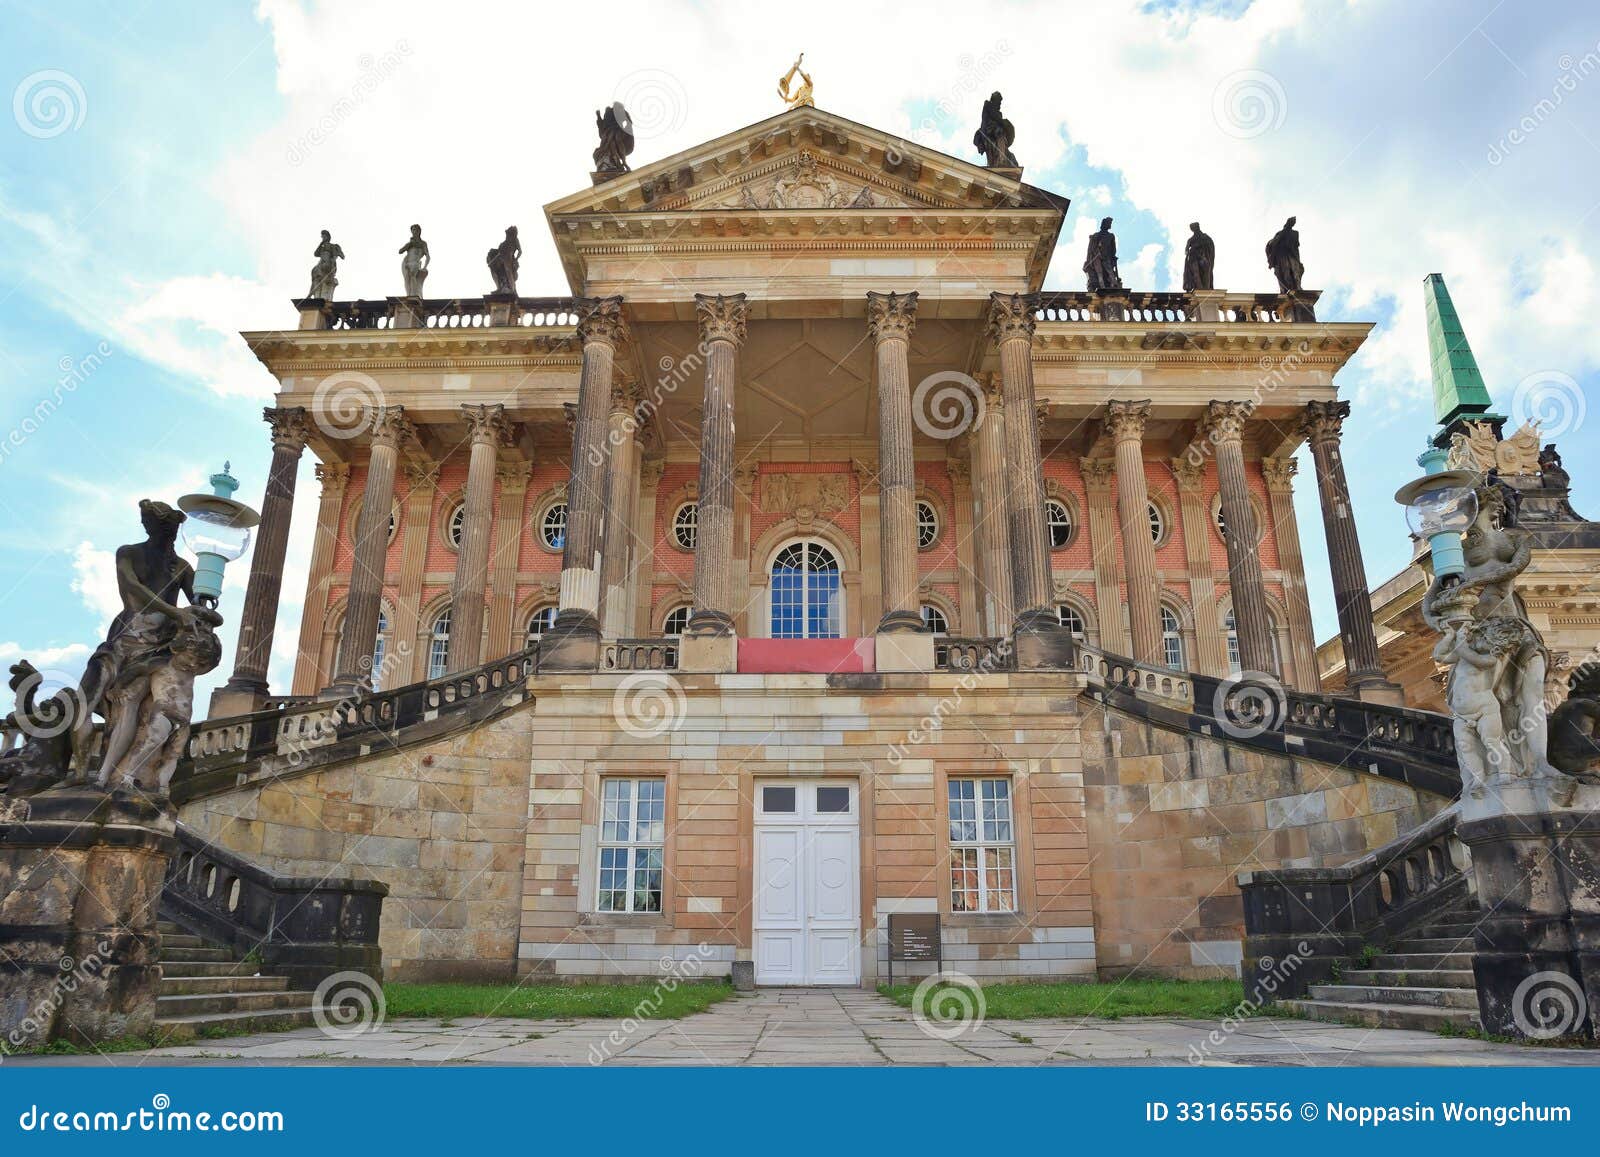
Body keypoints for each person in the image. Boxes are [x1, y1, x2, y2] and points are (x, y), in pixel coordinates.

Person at [398, 224, 429, 297]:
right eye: (413, 230)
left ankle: (415, 295)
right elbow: (400, 251)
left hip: (416, 263)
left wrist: (425, 266)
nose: (414, 232)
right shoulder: (410, 243)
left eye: (416, 230)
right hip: (406, 262)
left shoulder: (423, 243)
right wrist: (409, 244)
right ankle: (409, 295)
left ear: (419, 231)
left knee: (412, 276)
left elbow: (427, 256)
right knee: (407, 279)